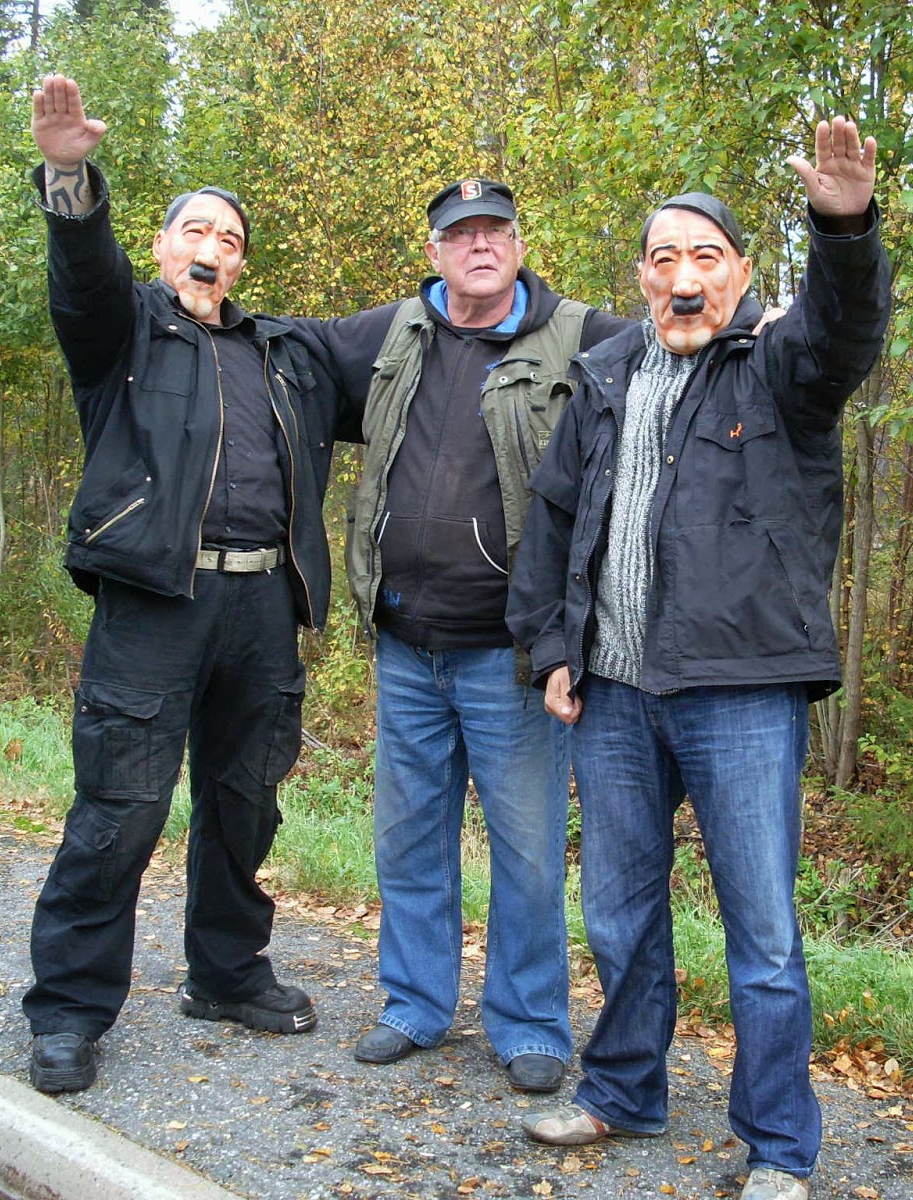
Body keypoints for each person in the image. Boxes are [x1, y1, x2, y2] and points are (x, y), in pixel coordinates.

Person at [506, 116, 893, 1200]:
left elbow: (847, 328)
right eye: (665, 258)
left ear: (740, 273)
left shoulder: (781, 367)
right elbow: (554, 520)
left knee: (761, 933)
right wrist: (552, 648)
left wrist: (846, 224)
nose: (684, 278)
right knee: (622, 912)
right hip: (614, 694)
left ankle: (778, 1149)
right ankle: (624, 1090)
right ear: (639, 276)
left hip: (740, 694)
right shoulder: (604, 374)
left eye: (705, 258)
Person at [20, 74, 361, 1094]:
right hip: (153, 604)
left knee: (244, 799)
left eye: (231, 235)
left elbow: (398, 346)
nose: (214, 243)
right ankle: (73, 1007)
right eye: (196, 228)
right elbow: (80, 274)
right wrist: (72, 177)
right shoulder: (123, 332)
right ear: (166, 248)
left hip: (263, 606)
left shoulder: (286, 353)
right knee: (121, 808)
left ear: (242, 260)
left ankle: (224, 973)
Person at [284, 179, 637, 1094]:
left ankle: (528, 1025)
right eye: (460, 234)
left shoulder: (582, 336)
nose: (479, 245)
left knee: (524, 850)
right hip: (406, 646)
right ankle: (413, 1004)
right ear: (435, 251)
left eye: (495, 231)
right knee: (409, 839)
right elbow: (286, 350)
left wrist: (759, 316)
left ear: (519, 244)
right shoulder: (390, 333)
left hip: (512, 658)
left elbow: (689, 340)